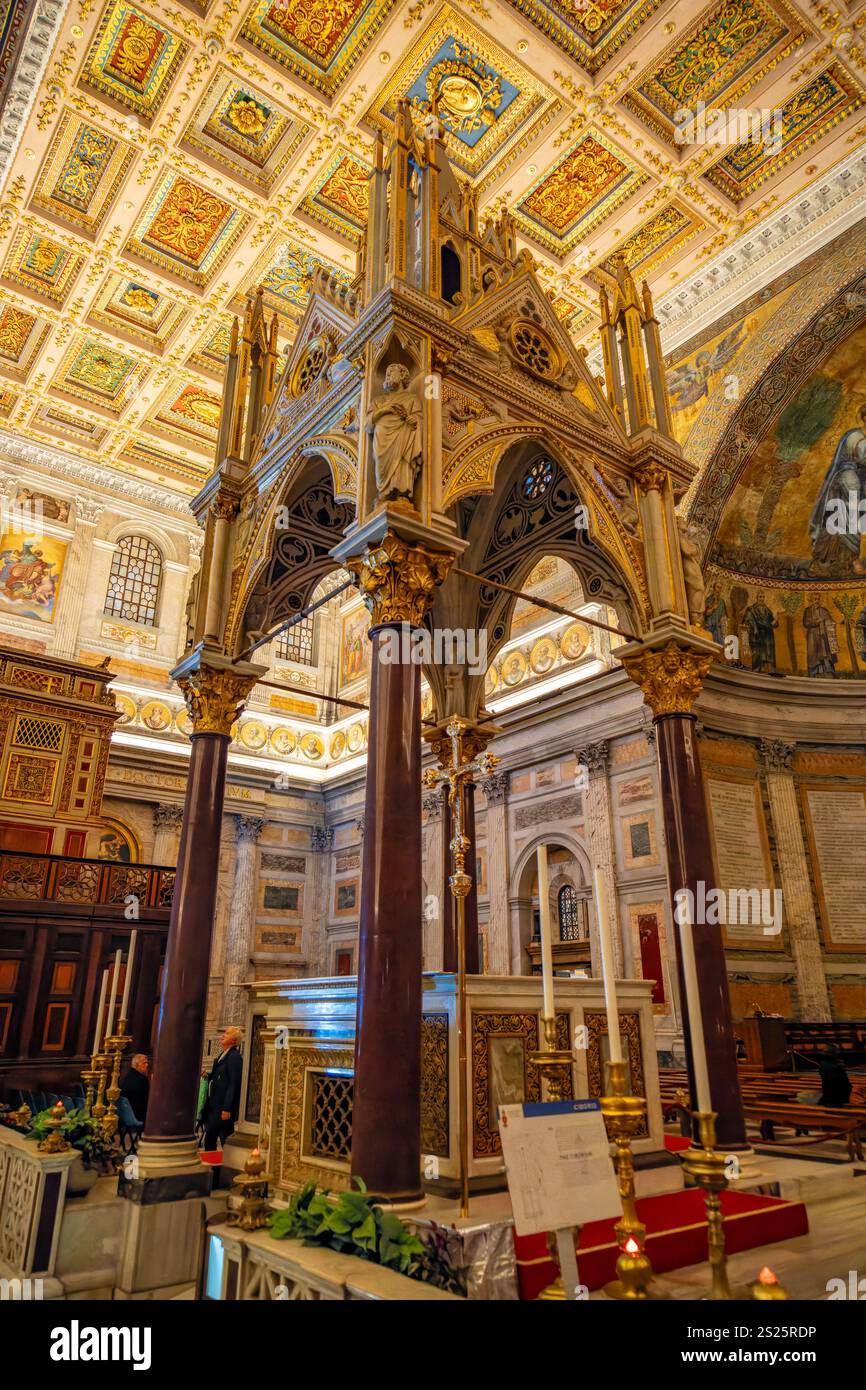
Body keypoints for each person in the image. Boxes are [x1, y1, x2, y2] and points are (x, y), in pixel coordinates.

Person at [200, 1026, 244, 1152]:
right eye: (225, 1032)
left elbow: (233, 1083)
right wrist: (207, 1076)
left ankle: (220, 1169)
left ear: (234, 1041)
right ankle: (214, 1168)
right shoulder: (223, 1055)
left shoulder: (234, 1056)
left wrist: (227, 1108)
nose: (223, 1035)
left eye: (227, 1033)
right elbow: (221, 1079)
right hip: (215, 1106)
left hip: (222, 1108)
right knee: (210, 1140)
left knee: (223, 1140)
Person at [119, 1054, 150, 1123]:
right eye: (144, 1063)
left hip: (125, 1115)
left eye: (147, 1062)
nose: (147, 1065)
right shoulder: (142, 1079)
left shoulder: (129, 1075)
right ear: (137, 1065)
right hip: (137, 1116)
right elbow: (147, 1100)